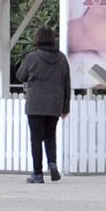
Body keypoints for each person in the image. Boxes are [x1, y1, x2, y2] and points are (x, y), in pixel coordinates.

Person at [15, 27, 72, 183]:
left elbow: (20, 76)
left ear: (37, 39)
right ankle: (52, 164)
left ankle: (38, 174)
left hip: (35, 103)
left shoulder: (32, 57)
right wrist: (65, 107)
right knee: (50, 136)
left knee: (36, 139)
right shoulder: (61, 58)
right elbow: (67, 83)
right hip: (54, 104)